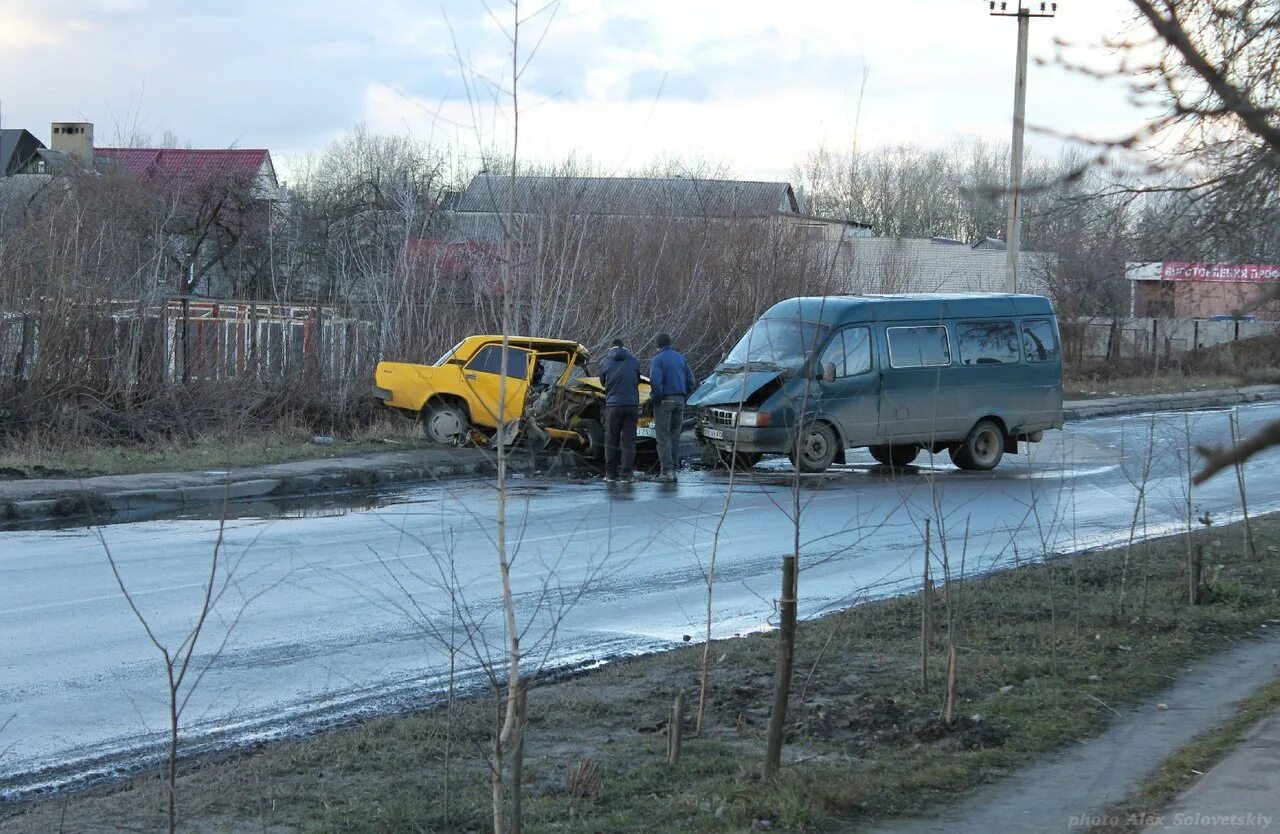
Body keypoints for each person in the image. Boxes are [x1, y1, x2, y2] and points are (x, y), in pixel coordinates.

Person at [648, 332, 697, 482]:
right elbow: (691, 380)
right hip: (679, 400)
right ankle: (675, 468)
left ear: (658, 345)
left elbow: (655, 382)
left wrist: (655, 399)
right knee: (675, 435)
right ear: (670, 343)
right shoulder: (681, 358)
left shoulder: (658, 360)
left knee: (662, 437)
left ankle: (667, 472)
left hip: (665, 401)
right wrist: (683, 394)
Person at [599, 338, 640, 484]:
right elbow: (637, 379)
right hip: (631, 406)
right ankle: (626, 476)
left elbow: (602, 382)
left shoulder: (605, 362)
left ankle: (610, 475)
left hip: (613, 406)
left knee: (611, 440)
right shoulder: (634, 361)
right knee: (629, 441)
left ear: (611, 348)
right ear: (624, 347)